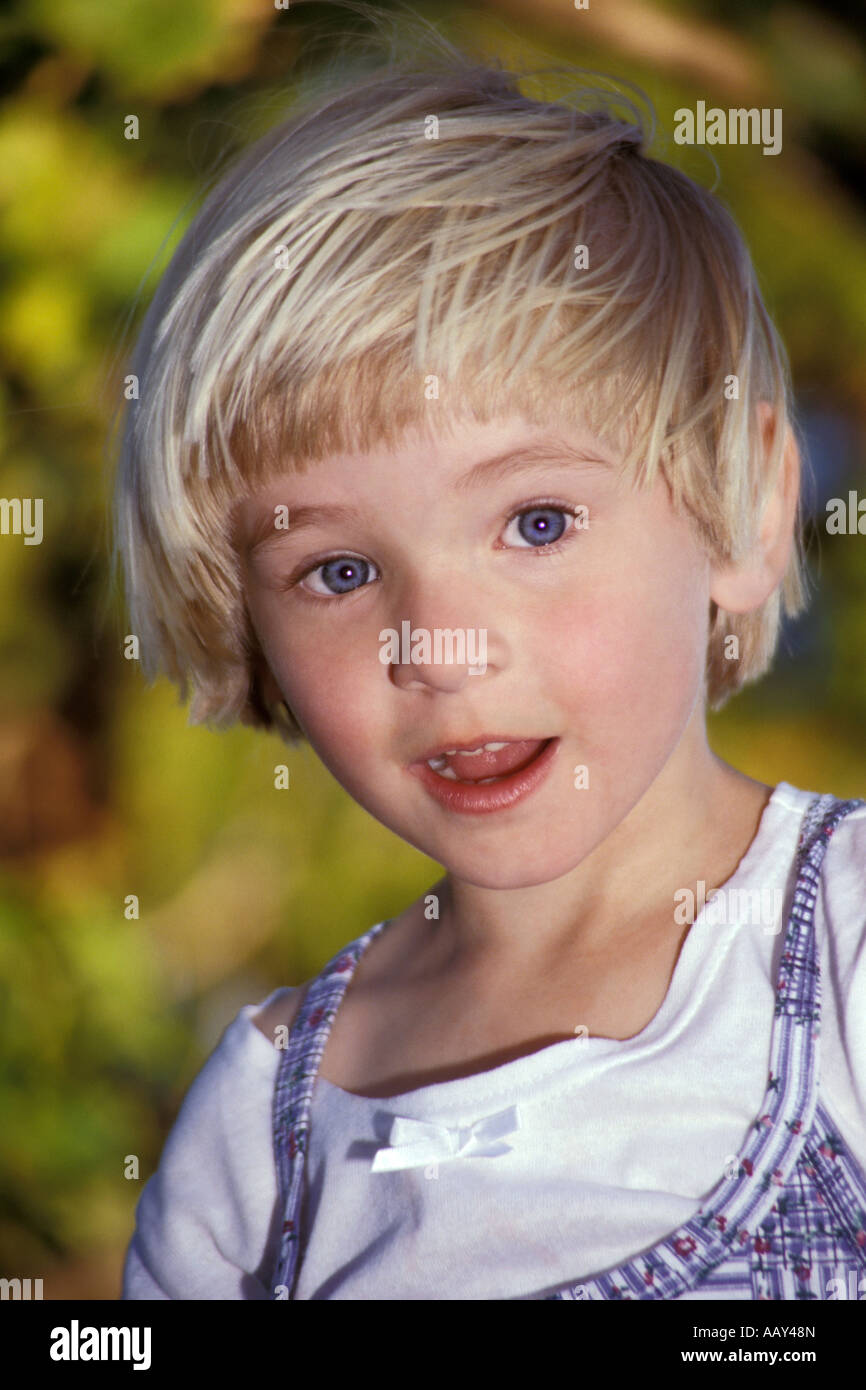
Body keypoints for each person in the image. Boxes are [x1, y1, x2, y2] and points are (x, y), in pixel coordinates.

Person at [113, 21, 866, 1300]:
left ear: (740, 508)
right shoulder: (262, 1135)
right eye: (339, 572)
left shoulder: (843, 945)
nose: (443, 652)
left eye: (536, 523)